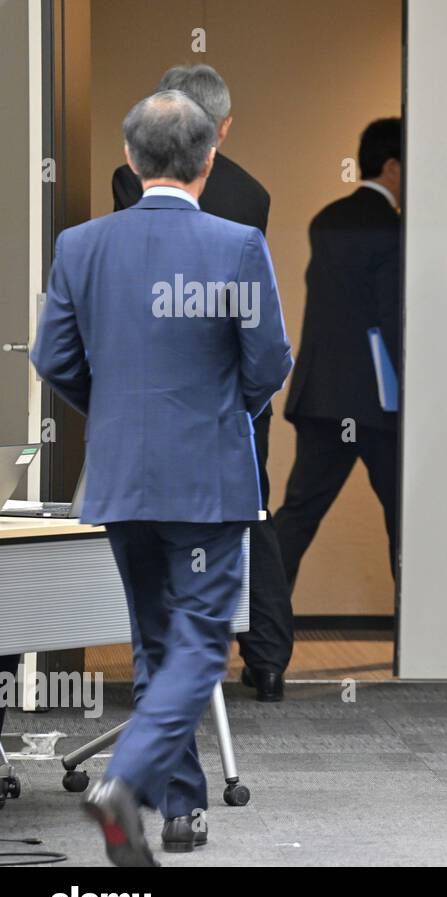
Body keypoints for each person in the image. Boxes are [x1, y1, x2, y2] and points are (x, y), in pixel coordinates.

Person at [32, 91, 293, 865]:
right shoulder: (238, 244)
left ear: (129, 159)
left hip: (122, 479)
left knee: (155, 643)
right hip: (208, 481)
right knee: (199, 650)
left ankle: (180, 812)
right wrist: (223, 412)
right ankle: (128, 781)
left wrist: (111, 412)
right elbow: (269, 363)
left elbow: (53, 360)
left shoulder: (80, 246)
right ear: (210, 161)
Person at [111, 64, 292, 703]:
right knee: (251, 509)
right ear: (224, 127)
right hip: (234, 386)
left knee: (156, 521)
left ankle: (168, 664)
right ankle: (267, 661)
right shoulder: (253, 193)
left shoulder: (129, 181)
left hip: (158, 387)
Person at [277, 118, 402, 598]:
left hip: (322, 394)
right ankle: (416, 644)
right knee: (401, 521)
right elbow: (391, 318)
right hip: (378, 399)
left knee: (298, 515)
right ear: (392, 166)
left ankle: (260, 631)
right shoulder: (392, 229)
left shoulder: (325, 219)